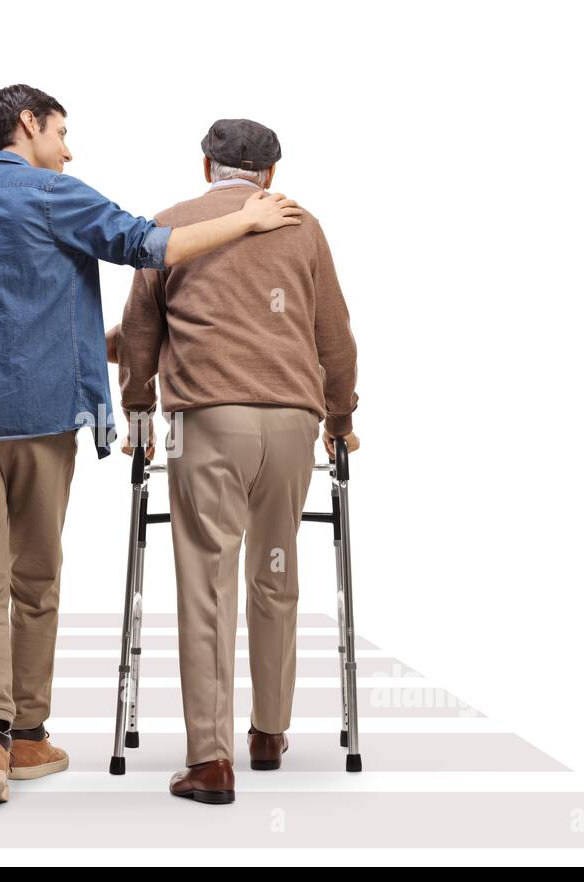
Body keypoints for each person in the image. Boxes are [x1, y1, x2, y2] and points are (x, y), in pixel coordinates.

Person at [0, 88, 306, 803]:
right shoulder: (54, 195)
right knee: (34, 577)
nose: (68, 150)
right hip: (38, 417)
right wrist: (244, 218)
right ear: (28, 124)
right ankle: (32, 732)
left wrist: (130, 375)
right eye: (61, 132)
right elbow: (146, 246)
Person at [115, 118, 360, 804]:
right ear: (270, 175)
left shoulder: (170, 226)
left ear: (205, 166)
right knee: (275, 571)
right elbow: (334, 336)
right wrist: (340, 420)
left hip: (207, 420)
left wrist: (137, 410)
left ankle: (210, 761)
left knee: (207, 584)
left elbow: (140, 335)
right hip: (291, 422)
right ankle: (269, 732)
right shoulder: (301, 227)